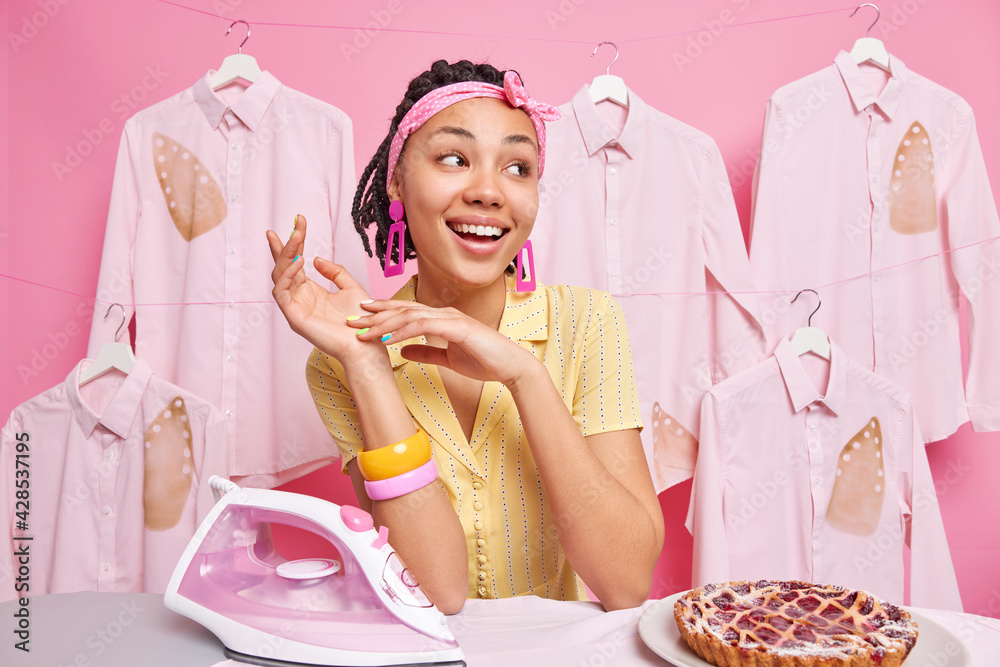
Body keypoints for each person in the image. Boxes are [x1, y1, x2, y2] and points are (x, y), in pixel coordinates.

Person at [267, 60, 664, 614]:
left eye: (518, 168)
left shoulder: (587, 322)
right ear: (397, 182)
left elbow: (625, 583)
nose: (488, 191)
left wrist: (526, 376)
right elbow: (436, 592)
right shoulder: (340, 358)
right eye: (454, 159)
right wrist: (367, 368)